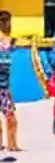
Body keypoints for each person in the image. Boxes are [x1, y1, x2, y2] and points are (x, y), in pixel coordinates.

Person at [0, 11, 19, 152]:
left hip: (4, 86)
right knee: (10, 116)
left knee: (10, 116)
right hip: (3, 87)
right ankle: (11, 145)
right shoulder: (6, 41)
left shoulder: (9, 41)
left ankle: (10, 144)